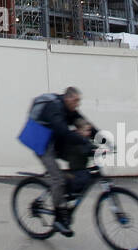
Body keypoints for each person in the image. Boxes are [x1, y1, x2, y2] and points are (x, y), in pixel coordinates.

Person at [29, 85, 100, 236]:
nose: (77, 104)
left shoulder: (70, 109)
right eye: (76, 101)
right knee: (58, 179)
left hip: (54, 140)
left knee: (79, 155)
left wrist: (106, 141)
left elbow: (85, 124)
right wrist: (85, 143)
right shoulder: (54, 107)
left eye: (79, 101)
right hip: (39, 140)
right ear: (67, 98)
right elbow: (63, 131)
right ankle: (59, 218)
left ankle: (68, 187)